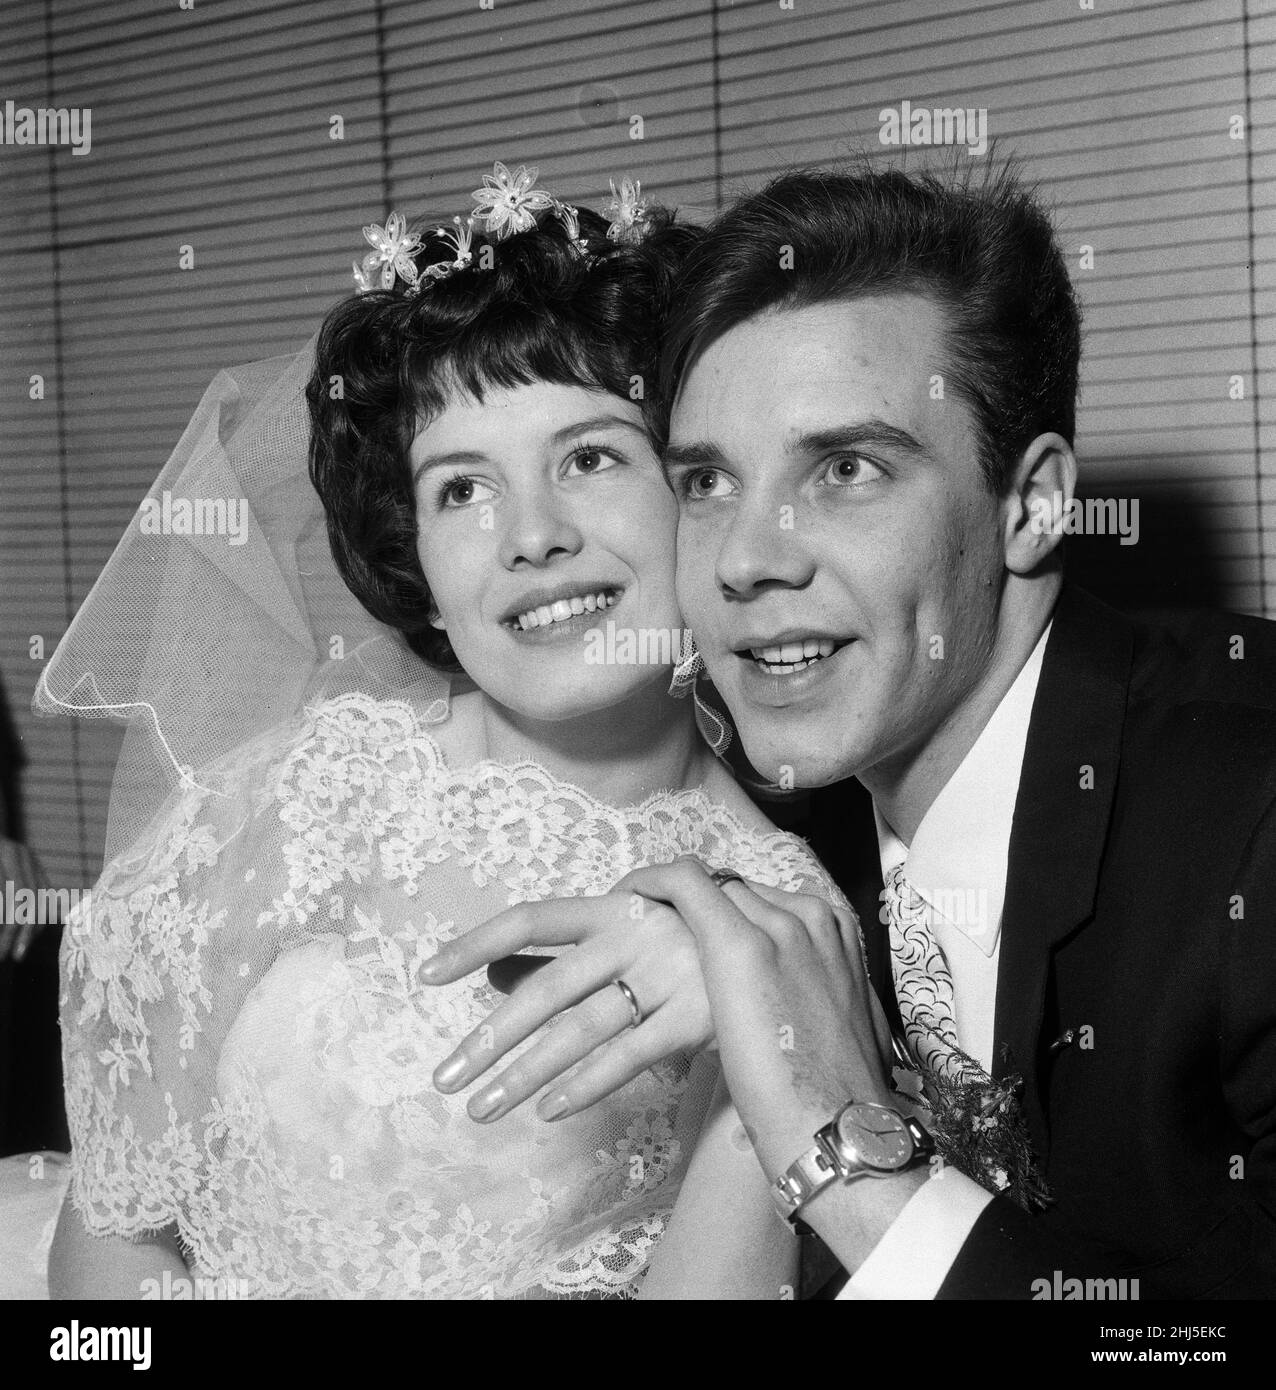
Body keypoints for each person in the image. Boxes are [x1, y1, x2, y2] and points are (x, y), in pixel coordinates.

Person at [421, 162, 1276, 1299]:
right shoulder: (772, 830)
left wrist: (838, 1144)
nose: (744, 560)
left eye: (844, 469)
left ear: (1031, 504)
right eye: (710, 482)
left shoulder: (1251, 819)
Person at [15, 165, 845, 1300]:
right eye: (462, 488)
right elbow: (108, 1235)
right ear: (417, 555)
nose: (530, 537)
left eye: (590, 457)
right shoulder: (300, 796)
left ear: (703, 487)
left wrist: (768, 1059)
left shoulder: (782, 915)